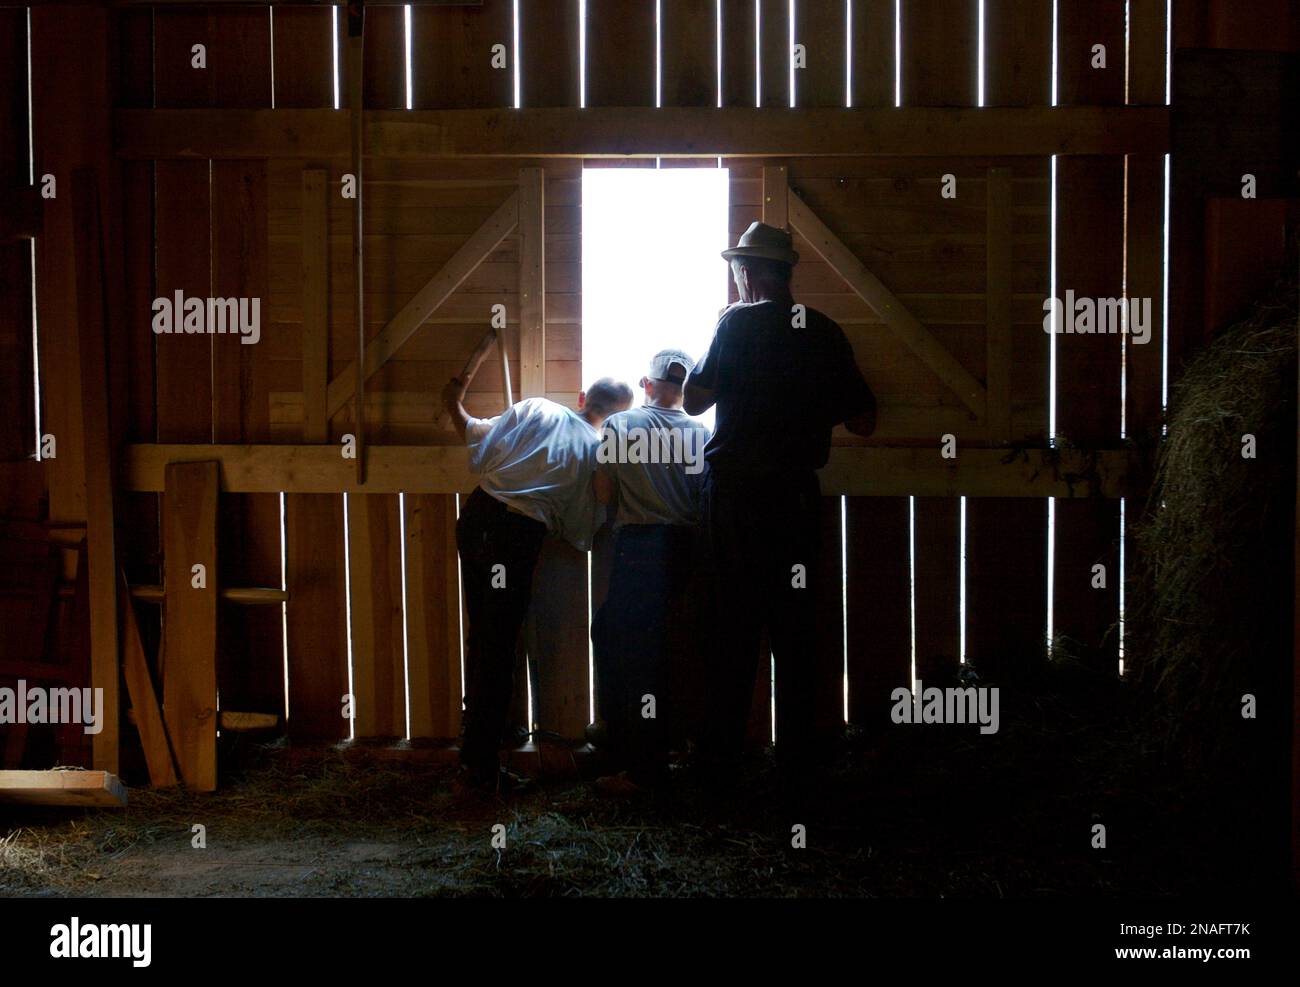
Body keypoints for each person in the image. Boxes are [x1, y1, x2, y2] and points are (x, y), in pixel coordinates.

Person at [683, 221, 877, 786]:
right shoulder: (823, 331)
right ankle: (800, 761)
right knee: (796, 626)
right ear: (787, 272)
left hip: (737, 497)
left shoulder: (735, 324)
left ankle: (720, 761)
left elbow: (695, 402)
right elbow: (864, 421)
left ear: (748, 272)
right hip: (794, 496)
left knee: (731, 623)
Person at [442, 374, 634, 796]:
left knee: (485, 639)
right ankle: (477, 771)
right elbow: (580, 530)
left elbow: (482, 449)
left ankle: (477, 754)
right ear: (618, 422)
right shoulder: (593, 453)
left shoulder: (537, 407)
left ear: (583, 396)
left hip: (477, 515)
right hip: (515, 536)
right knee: (497, 647)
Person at [589, 349, 711, 796]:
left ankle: (643, 769)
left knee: (635, 656)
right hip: (684, 549)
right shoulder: (700, 433)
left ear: (647, 383)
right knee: (661, 651)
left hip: (639, 546)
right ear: (685, 387)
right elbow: (704, 497)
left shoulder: (622, 425)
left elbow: (604, 493)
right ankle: (655, 750)